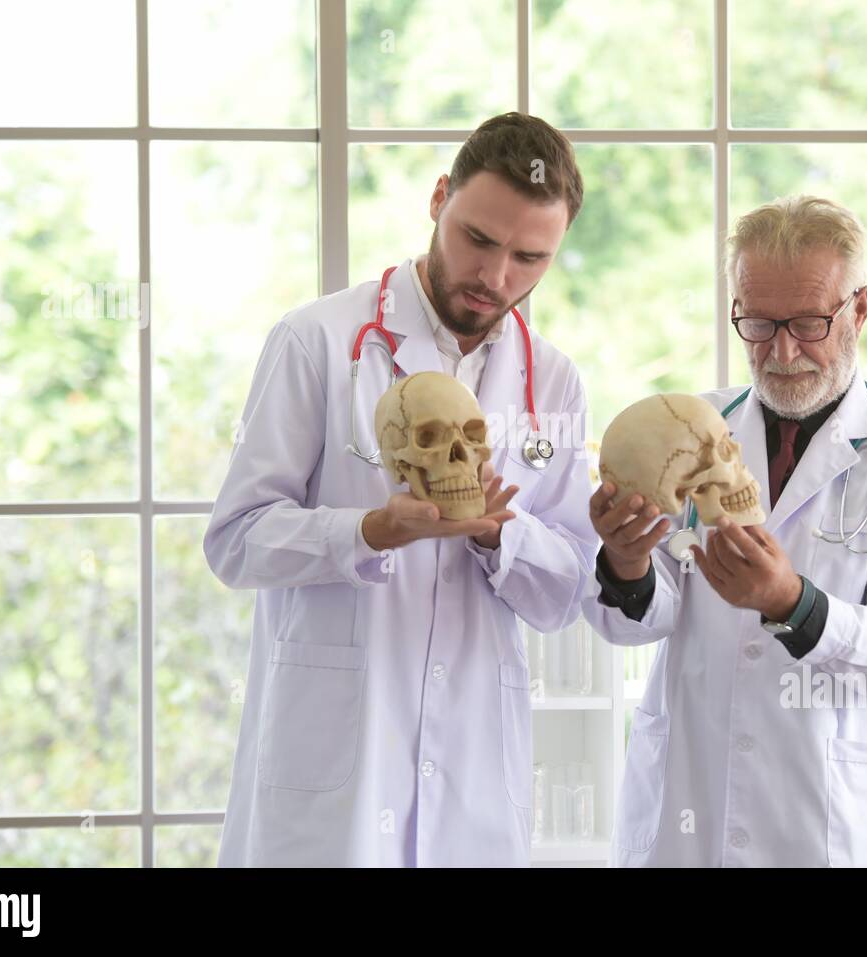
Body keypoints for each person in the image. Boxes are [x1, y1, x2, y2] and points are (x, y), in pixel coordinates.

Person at [205, 113, 597, 866]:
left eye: (529, 257)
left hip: (476, 784)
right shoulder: (318, 342)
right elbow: (235, 540)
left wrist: (497, 533)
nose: (496, 277)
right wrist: (368, 532)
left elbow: (566, 592)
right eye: (478, 239)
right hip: (334, 784)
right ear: (439, 197)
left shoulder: (554, 381)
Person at [584, 196, 867, 866]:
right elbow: (641, 620)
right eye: (758, 323)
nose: (782, 351)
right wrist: (625, 561)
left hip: (826, 822)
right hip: (689, 810)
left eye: (810, 322)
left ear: (860, 307)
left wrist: (794, 603)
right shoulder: (694, 428)